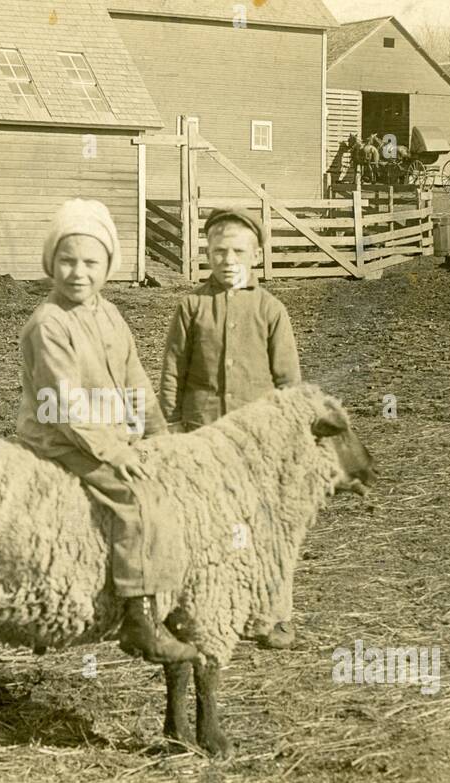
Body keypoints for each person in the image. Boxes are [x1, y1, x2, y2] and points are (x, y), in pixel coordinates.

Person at [17, 199, 196, 664]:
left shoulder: (110, 315)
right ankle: (138, 615)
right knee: (134, 498)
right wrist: (114, 451)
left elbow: (134, 380)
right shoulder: (49, 324)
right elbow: (65, 404)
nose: (78, 272)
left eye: (91, 262)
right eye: (67, 260)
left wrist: (159, 436)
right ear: (50, 262)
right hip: (62, 437)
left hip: (112, 430)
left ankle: (174, 590)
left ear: (108, 266)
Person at [158, 208, 302, 648]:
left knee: (263, 526)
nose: (227, 260)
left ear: (256, 256)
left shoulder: (270, 310)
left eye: (238, 251)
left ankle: (272, 614)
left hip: (256, 445)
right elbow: (171, 373)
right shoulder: (192, 306)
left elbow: (289, 383)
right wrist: (166, 427)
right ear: (207, 254)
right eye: (218, 251)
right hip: (202, 437)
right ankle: (196, 612)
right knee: (201, 527)